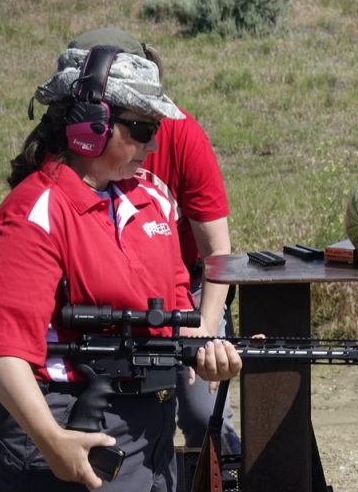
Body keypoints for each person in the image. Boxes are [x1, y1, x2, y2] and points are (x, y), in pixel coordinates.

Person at [0, 42, 241, 492]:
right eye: (141, 128)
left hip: (150, 432)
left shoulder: (151, 197)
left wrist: (203, 348)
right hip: (70, 426)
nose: (153, 144)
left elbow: (175, 299)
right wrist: (52, 440)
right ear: (90, 126)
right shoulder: (35, 212)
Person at [67, 28, 241, 454]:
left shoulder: (181, 135)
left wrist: (202, 328)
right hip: (99, 301)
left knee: (204, 416)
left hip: (184, 298)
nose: (151, 141)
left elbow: (217, 252)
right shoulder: (74, 144)